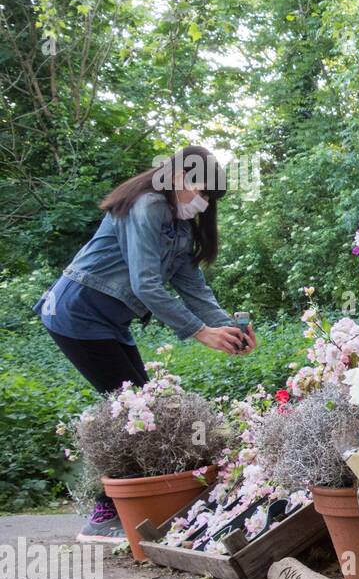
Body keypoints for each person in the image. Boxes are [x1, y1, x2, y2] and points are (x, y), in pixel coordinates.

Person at [36, 146, 255, 544]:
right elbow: (146, 283)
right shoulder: (148, 206)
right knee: (134, 412)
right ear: (177, 178)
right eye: (200, 191)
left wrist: (230, 327)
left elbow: (193, 287)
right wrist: (198, 332)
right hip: (78, 312)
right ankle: (104, 515)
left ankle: (134, 506)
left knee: (144, 405)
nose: (203, 203)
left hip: (109, 321)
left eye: (209, 197)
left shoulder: (181, 224)